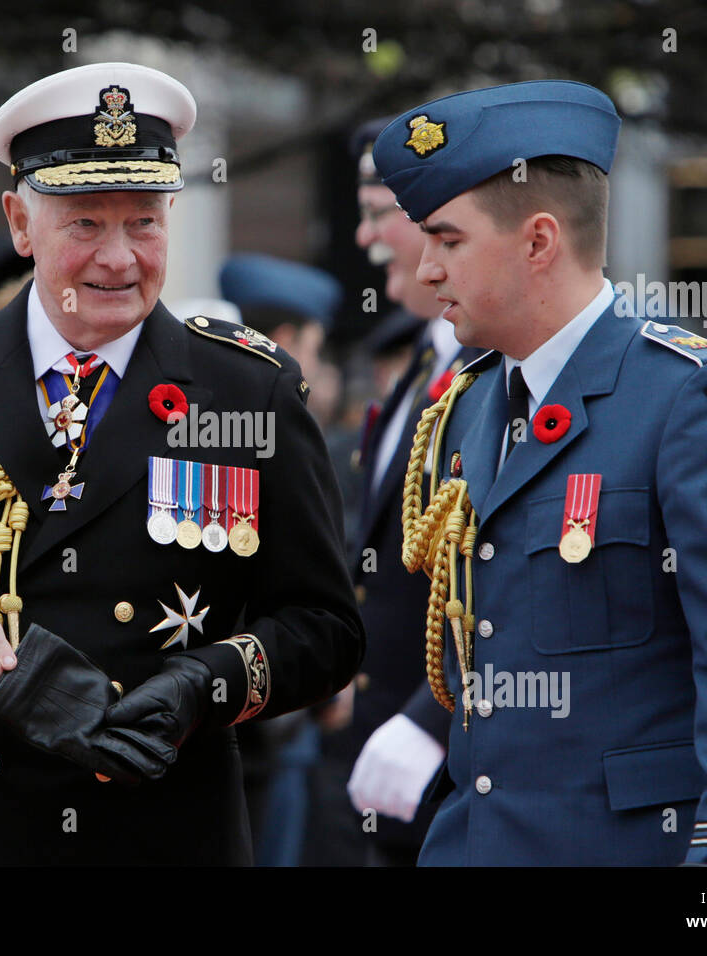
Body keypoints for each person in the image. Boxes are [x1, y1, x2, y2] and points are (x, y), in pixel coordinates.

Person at [0, 61, 364, 866]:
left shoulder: (246, 390)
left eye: (145, 222)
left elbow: (323, 627)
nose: (119, 258)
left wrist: (206, 684)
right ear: (21, 224)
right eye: (85, 223)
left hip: (154, 827)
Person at [371, 80, 707, 866]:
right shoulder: (468, 409)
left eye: (448, 240)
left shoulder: (698, 400)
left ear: (538, 241)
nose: (427, 269)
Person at [312, 119, 479, 867]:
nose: (364, 236)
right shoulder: (418, 364)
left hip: (456, 765)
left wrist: (430, 724)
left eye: (380, 213)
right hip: (380, 764)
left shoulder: (489, 369)